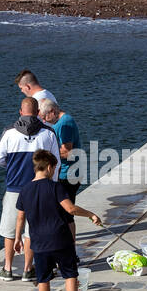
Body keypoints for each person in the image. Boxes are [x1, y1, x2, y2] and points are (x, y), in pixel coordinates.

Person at [14, 149, 102, 291]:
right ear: (48, 167)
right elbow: (71, 209)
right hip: (61, 239)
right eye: (54, 168)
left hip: (39, 243)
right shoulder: (56, 187)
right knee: (70, 274)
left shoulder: (25, 190)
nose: (54, 171)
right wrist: (91, 214)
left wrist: (18, 238)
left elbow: (20, 217)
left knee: (43, 278)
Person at [0, 98, 60, 281]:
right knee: (32, 230)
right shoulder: (48, 133)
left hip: (14, 187)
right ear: (38, 111)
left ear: (20, 112)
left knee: (9, 230)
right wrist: (51, 185)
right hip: (38, 188)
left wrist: (12, 167)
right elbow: (57, 163)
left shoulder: (9, 133)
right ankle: (27, 269)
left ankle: (7, 268)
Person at [38, 100, 83, 238]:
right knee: (62, 212)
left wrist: (45, 154)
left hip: (68, 174)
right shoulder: (61, 122)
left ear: (52, 111)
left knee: (66, 213)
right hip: (65, 173)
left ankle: (70, 248)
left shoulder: (64, 124)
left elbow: (67, 152)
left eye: (45, 117)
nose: (44, 120)